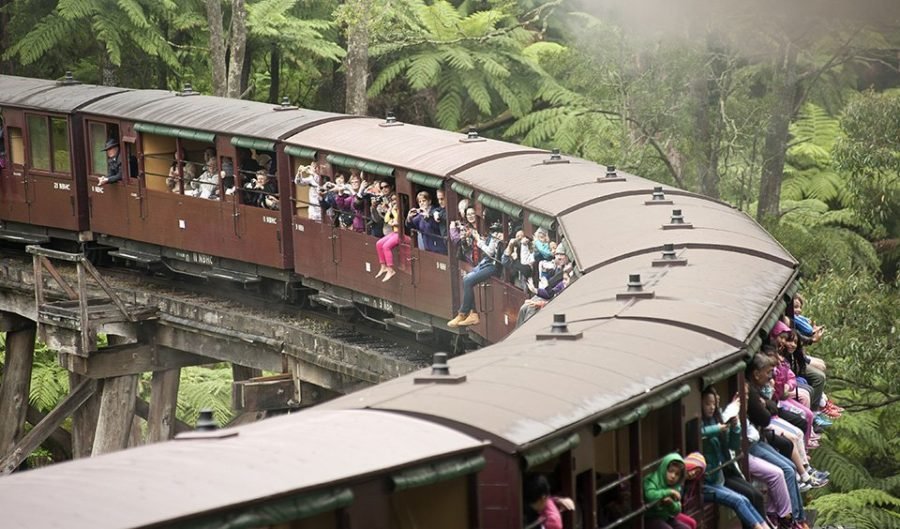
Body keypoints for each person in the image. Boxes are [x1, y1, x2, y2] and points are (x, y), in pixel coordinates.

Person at [700, 387, 769, 529]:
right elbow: (700, 433)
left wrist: (735, 428)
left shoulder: (716, 420)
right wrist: (717, 429)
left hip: (721, 473)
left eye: (714, 404)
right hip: (708, 479)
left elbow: (732, 445)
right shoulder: (704, 424)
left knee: (749, 497)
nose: (712, 407)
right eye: (708, 404)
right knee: (741, 499)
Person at [447, 221, 504, 328]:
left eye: (497, 232)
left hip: (493, 266)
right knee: (466, 278)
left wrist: (478, 240)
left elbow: (490, 252)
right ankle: (472, 313)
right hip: (486, 263)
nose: (495, 234)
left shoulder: (499, 240)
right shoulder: (492, 237)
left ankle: (463, 313)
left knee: (468, 281)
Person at [643, 453, 696, 529]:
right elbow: (650, 495)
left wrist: (671, 504)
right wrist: (669, 492)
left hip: (665, 517)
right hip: (649, 517)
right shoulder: (651, 480)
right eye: (671, 471)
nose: (673, 476)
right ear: (664, 469)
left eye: (677, 474)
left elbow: (677, 509)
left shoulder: (675, 485)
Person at [374, 193, 402, 282]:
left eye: (395, 200)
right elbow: (386, 219)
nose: (394, 202)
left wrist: (393, 210)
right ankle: (383, 266)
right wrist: (390, 210)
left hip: (401, 234)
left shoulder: (401, 210)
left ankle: (390, 269)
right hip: (394, 232)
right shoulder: (394, 209)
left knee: (386, 246)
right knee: (379, 244)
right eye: (393, 200)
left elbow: (399, 221)